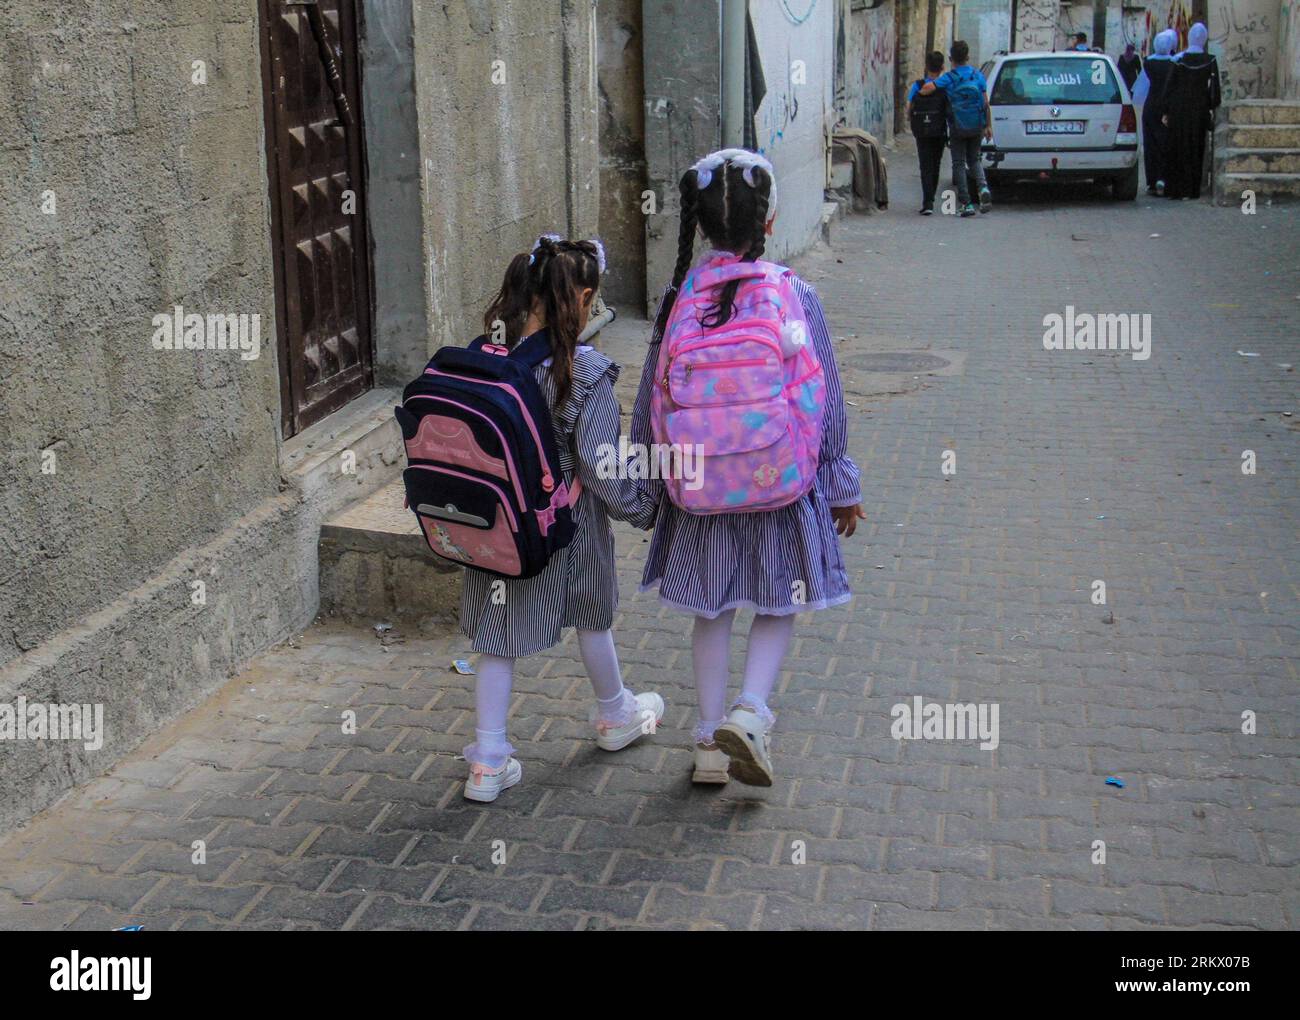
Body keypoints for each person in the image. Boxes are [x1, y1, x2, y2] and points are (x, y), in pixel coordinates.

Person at [630, 149, 865, 787]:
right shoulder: (793, 294)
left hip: (700, 489)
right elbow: (827, 395)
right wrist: (840, 484)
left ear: (700, 228)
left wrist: (651, 484)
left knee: (712, 609)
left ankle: (709, 743)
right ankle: (753, 711)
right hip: (780, 485)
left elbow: (653, 394)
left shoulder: (678, 301)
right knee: (777, 600)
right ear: (769, 224)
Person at [457, 236, 663, 802]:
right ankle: (615, 713)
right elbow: (600, 466)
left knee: (497, 640)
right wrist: (645, 507)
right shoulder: (585, 372)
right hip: (565, 531)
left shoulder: (484, 356)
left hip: (496, 528)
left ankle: (489, 760)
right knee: (592, 616)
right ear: (586, 296)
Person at [918, 40, 993, 217]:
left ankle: (966, 203)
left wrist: (919, 92)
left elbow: (929, 88)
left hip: (958, 126)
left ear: (951, 58)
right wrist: (988, 125)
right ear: (968, 56)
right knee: (974, 159)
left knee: (959, 163)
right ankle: (982, 187)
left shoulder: (950, 78)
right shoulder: (977, 76)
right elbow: (985, 102)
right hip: (976, 125)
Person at [1159, 22, 1222, 200]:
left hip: (1178, 111)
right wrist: (1210, 107)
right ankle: (1191, 190)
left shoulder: (1178, 60)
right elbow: (1214, 90)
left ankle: (1174, 190)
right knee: (1195, 149)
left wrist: (1166, 111)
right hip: (1198, 111)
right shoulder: (1210, 60)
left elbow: (1169, 88)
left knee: (1177, 148)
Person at [1133, 29, 1178, 195]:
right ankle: (1164, 178)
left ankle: (1151, 181)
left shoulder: (1148, 62)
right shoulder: (1174, 63)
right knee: (1166, 144)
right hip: (1167, 107)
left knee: (1151, 145)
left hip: (1150, 105)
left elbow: (1142, 86)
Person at [906, 50, 949, 215]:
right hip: (939, 131)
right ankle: (931, 198)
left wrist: (912, 121)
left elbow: (909, 108)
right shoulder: (945, 86)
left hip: (922, 131)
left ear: (926, 67)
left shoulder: (917, 86)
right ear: (942, 67)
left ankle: (927, 202)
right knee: (936, 163)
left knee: (925, 165)